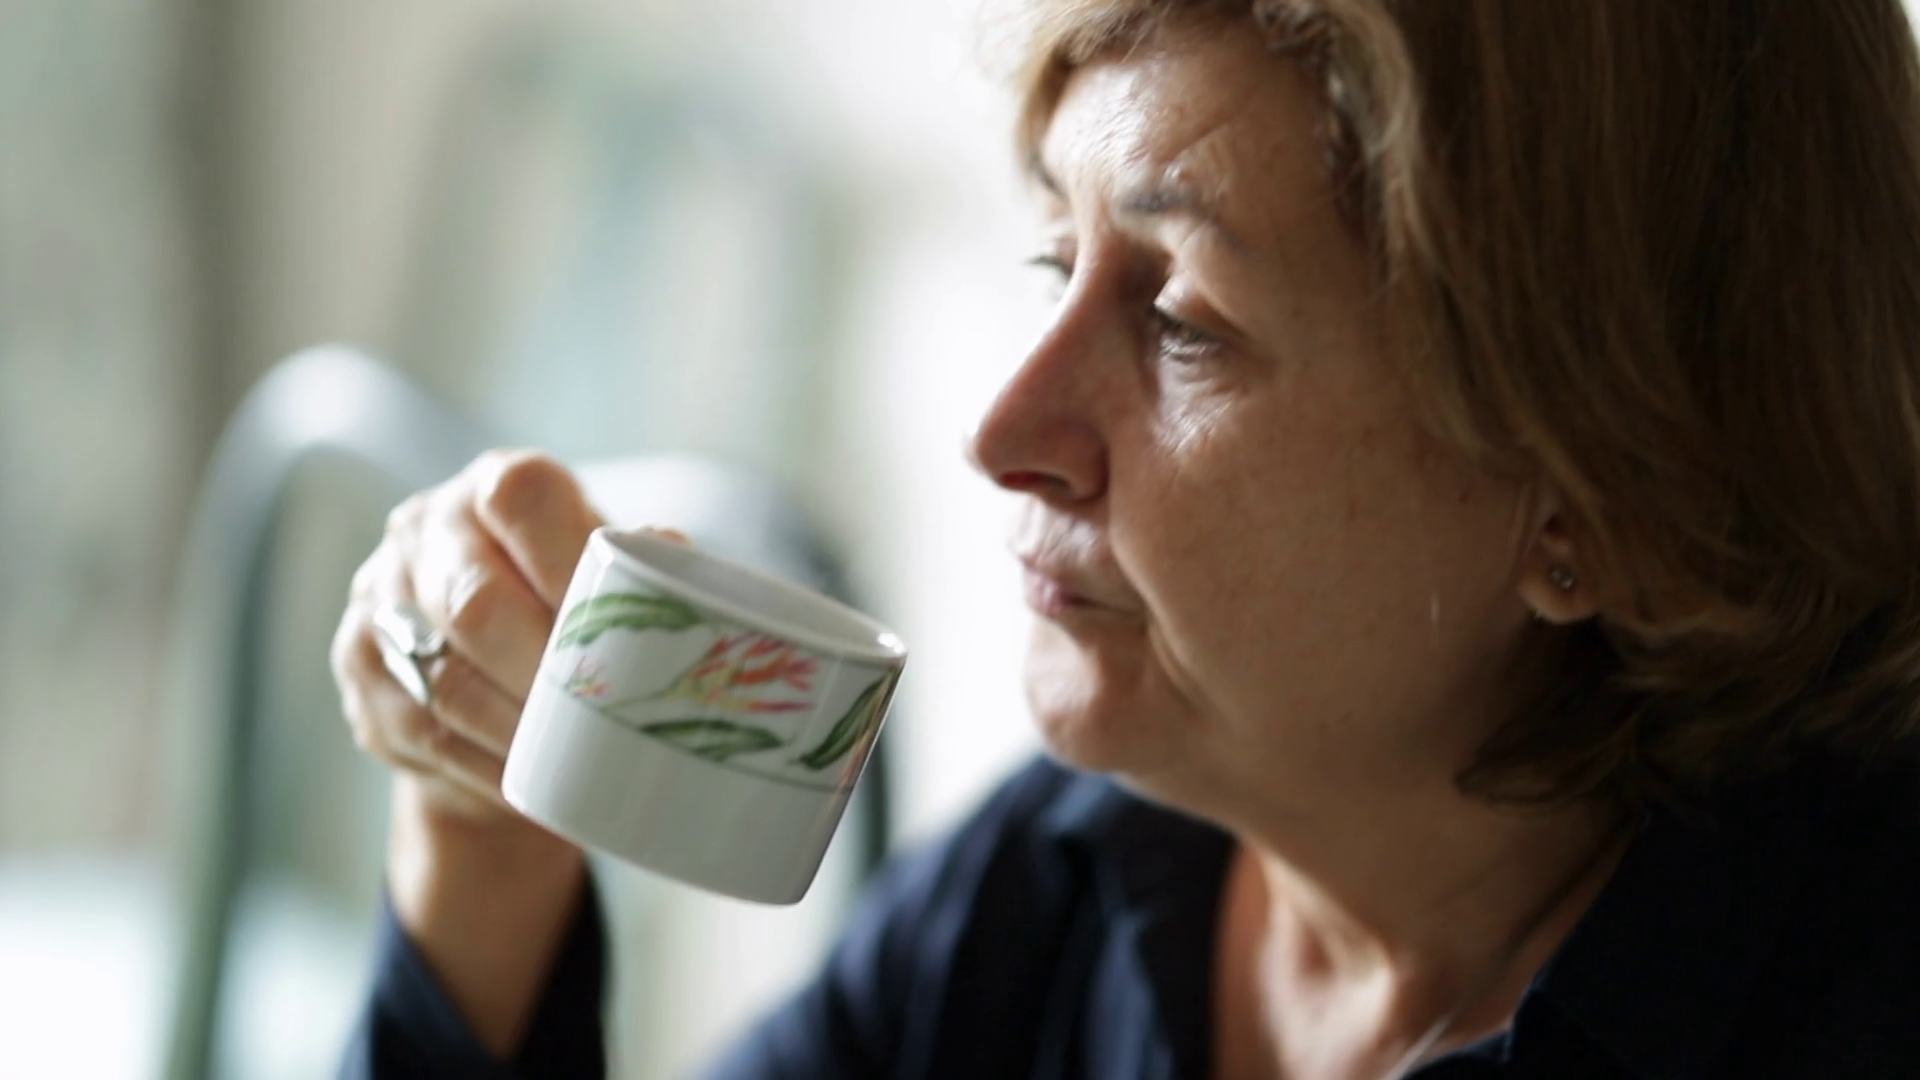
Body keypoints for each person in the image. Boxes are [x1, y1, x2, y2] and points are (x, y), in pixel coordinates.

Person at [332, 1, 1920, 1077]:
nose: (1003, 429)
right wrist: (483, 842)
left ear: (1605, 500)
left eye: (1182, 320)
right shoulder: (1069, 890)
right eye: (1052, 263)